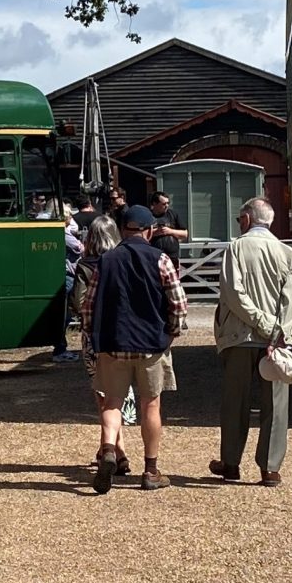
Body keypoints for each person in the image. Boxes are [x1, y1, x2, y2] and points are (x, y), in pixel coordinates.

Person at [83, 205, 188, 493]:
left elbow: (88, 306)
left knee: (112, 402)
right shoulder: (161, 259)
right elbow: (179, 304)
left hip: (113, 344)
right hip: (150, 345)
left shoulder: (106, 261)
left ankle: (108, 449)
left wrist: (94, 337)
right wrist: (171, 334)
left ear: (122, 230)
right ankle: (150, 471)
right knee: (150, 404)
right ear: (150, 231)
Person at [211, 195, 292, 486]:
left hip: (239, 337)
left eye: (240, 219)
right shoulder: (288, 255)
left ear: (247, 219)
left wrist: (260, 322)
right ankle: (270, 467)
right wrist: (279, 330)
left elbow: (233, 294)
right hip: (275, 341)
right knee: (275, 404)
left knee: (234, 402)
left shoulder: (236, 248)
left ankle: (231, 462)